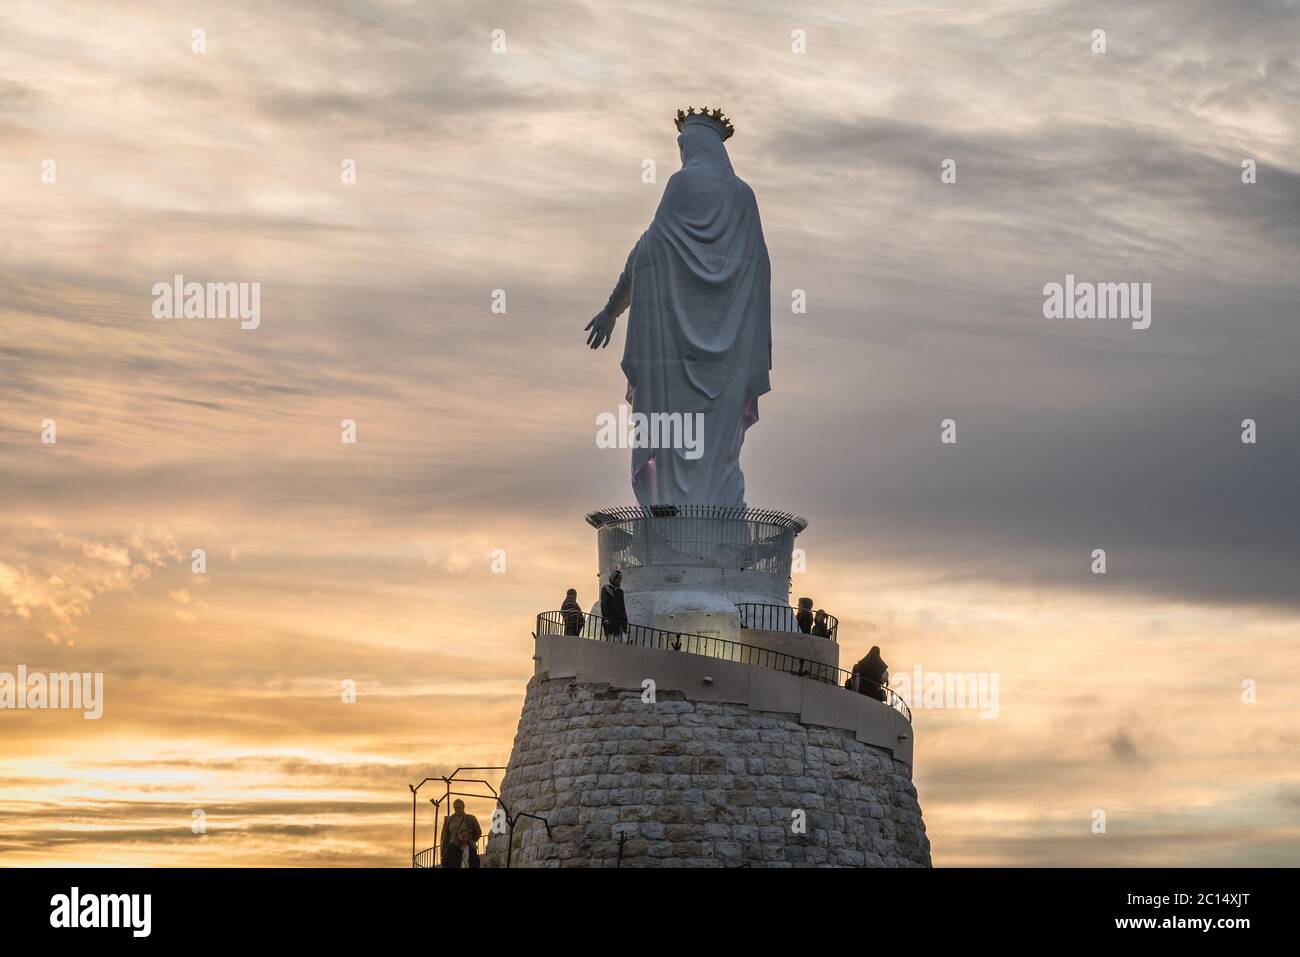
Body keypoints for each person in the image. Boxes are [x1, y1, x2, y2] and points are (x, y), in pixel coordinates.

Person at [584, 108, 771, 508]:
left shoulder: (683, 183)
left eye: (683, 144)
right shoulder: (744, 196)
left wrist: (611, 310)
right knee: (718, 445)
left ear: (694, 145)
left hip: (675, 354)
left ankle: (679, 518)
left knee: (676, 437)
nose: (682, 152)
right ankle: (711, 518)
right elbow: (758, 268)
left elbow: (648, 251)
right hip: (730, 353)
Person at [439, 799, 482, 866]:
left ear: (463, 807)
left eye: (459, 807)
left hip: (467, 846)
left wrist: (470, 840)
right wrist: (443, 852)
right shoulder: (450, 819)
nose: (457, 809)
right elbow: (446, 836)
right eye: (456, 808)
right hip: (453, 847)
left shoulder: (471, 818)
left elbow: (478, 832)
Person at [600, 570, 629, 641]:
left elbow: (622, 607)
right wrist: (606, 618)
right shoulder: (606, 589)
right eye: (617, 579)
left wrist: (625, 621)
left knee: (623, 642)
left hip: (620, 622)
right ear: (613, 578)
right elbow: (604, 605)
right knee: (612, 641)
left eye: (620, 579)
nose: (619, 581)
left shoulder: (620, 592)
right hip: (610, 621)